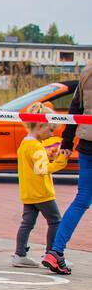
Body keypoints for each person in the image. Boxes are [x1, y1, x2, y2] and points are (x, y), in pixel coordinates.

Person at [46, 60, 92, 275]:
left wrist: (66, 142)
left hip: (86, 144)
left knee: (81, 200)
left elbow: (76, 108)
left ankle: (55, 252)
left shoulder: (87, 71)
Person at [12, 104, 68, 268]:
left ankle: (19, 254)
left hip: (28, 192)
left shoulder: (25, 144)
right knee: (55, 221)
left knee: (27, 223)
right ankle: (51, 254)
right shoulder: (36, 146)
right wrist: (60, 161)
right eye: (50, 130)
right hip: (42, 193)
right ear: (41, 125)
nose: (52, 134)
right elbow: (42, 169)